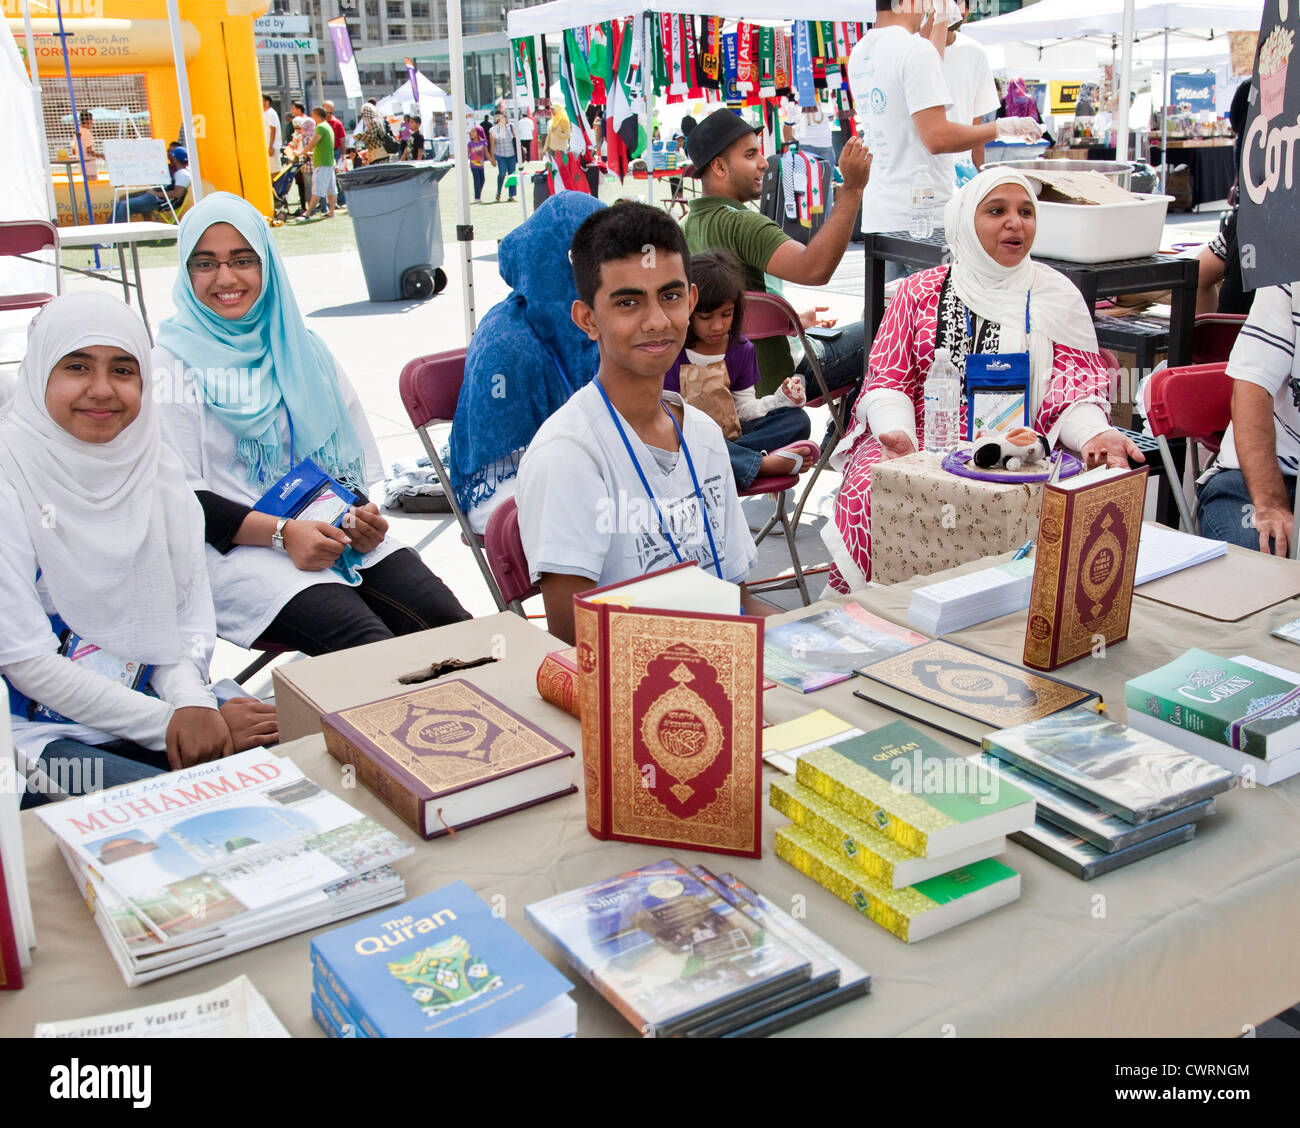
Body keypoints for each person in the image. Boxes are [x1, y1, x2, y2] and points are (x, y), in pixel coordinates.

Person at [153, 194, 471, 656]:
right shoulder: (168, 366)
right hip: (234, 549)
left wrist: (362, 517)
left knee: (448, 623)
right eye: (205, 263)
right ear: (186, 273)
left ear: (267, 264)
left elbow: (339, 460)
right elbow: (181, 499)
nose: (226, 278)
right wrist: (282, 534)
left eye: (243, 260)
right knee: (368, 649)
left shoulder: (302, 348)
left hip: (326, 529)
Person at [0, 293, 278, 808]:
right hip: (32, 735)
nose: (101, 390)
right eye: (77, 366)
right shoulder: (8, 478)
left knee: (292, 768)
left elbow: (180, 629)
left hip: (160, 701)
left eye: (123, 370)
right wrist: (173, 724)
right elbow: (26, 663)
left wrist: (195, 703)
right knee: (178, 812)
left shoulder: (158, 473)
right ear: (40, 375)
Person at [824, 169, 1144, 591]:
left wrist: (1093, 433)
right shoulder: (918, 291)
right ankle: (876, 616)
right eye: (997, 211)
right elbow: (888, 379)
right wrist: (897, 436)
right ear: (964, 224)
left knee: (1067, 491)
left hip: (1022, 442)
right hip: (920, 435)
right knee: (873, 483)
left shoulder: (1055, 295)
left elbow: (1074, 387)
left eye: (1026, 212)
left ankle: (1003, 621)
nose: (1016, 222)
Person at [516, 202, 775, 645]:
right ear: (587, 320)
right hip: (637, 690)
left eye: (670, 296)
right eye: (628, 302)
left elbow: (740, 603)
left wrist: (819, 637)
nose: (656, 321)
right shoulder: (568, 456)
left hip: (732, 662)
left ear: (691, 301)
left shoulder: (705, 436)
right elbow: (578, 644)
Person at [684, 108, 872, 400]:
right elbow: (814, 269)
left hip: (724, 383)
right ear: (719, 168)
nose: (764, 164)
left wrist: (788, 320)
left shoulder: (686, 225)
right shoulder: (741, 223)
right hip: (777, 381)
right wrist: (852, 190)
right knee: (886, 325)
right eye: (750, 155)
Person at [847, 0, 1042, 279]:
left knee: (888, 317)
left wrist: (938, 21)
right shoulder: (914, 50)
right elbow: (937, 137)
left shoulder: (861, 51)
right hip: (926, 219)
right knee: (937, 317)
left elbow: (922, 75)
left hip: (881, 215)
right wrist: (1001, 128)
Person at [450, 192, 605, 534]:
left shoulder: (589, 324)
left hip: (579, 476)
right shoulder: (508, 343)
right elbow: (505, 475)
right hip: (506, 490)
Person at [665, 250, 817, 489]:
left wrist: (781, 399)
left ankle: (730, 463)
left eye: (726, 314)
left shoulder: (741, 349)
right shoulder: (670, 351)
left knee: (797, 420)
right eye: (706, 317)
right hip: (685, 440)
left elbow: (745, 410)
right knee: (682, 439)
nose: (718, 325)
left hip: (731, 436)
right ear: (687, 310)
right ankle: (760, 465)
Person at [1195, 284, 1300, 556]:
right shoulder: (1288, 268)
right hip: (1261, 476)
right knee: (1263, 571)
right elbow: (1251, 387)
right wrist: (1271, 503)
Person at [940, 3, 1000, 172]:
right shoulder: (913, 50)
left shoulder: (974, 52)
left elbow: (976, 124)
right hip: (921, 174)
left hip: (962, 172)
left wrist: (980, 175)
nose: (960, 11)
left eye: (966, 4)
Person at [111, 146, 191, 224]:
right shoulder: (180, 172)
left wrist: (156, 193)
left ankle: (115, 233)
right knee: (121, 202)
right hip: (157, 197)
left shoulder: (183, 174)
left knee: (124, 205)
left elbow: (177, 193)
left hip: (161, 201)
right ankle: (109, 229)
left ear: (175, 159)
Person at [302, 107, 338, 220]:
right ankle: (331, 211)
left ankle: (307, 213)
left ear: (316, 115)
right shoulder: (327, 126)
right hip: (329, 161)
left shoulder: (320, 127)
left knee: (317, 189)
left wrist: (302, 152)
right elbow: (323, 146)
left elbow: (313, 143)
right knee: (331, 189)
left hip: (322, 163)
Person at [323, 100, 348, 208]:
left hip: (336, 151)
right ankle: (326, 204)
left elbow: (342, 140)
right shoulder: (319, 123)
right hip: (324, 152)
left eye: (330, 112)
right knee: (325, 178)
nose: (328, 115)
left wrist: (343, 155)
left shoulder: (337, 123)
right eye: (326, 112)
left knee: (338, 177)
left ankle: (342, 201)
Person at [490, 111, 517, 203]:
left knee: (512, 174)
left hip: (511, 154)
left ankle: (511, 195)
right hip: (500, 155)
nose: (505, 118)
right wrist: (492, 158)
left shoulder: (511, 127)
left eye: (505, 117)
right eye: (503, 117)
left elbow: (516, 139)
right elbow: (492, 144)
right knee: (502, 173)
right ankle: (498, 192)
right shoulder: (493, 130)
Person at [466, 112, 489, 203]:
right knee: (476, 180)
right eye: (471, 132)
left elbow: (486, 153)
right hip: (473, 164)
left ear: (479, 133)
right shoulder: (470, 144)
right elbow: (467, 154)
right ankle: (477, 197)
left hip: (481, 165)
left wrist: (491, 160)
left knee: (482, 179)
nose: (471, 133)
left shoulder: (483, 143)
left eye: (473, 131)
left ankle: (478, 195)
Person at [263, 94, 281, 175]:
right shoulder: (264, 113)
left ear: (267, 102)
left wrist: (271, 146)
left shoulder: (271, 113)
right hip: (267, 146)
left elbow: (273, 130)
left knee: (275, 171)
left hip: (272, 147)